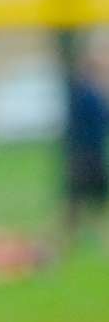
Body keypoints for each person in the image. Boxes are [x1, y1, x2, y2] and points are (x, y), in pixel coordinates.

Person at [64, 48, 109, 247]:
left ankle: (86, 237)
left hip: (84, 153)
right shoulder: (87, 94)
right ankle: (71, 240)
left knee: (85, 201)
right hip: (86, 154)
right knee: (81, 201)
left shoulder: (80, 92)